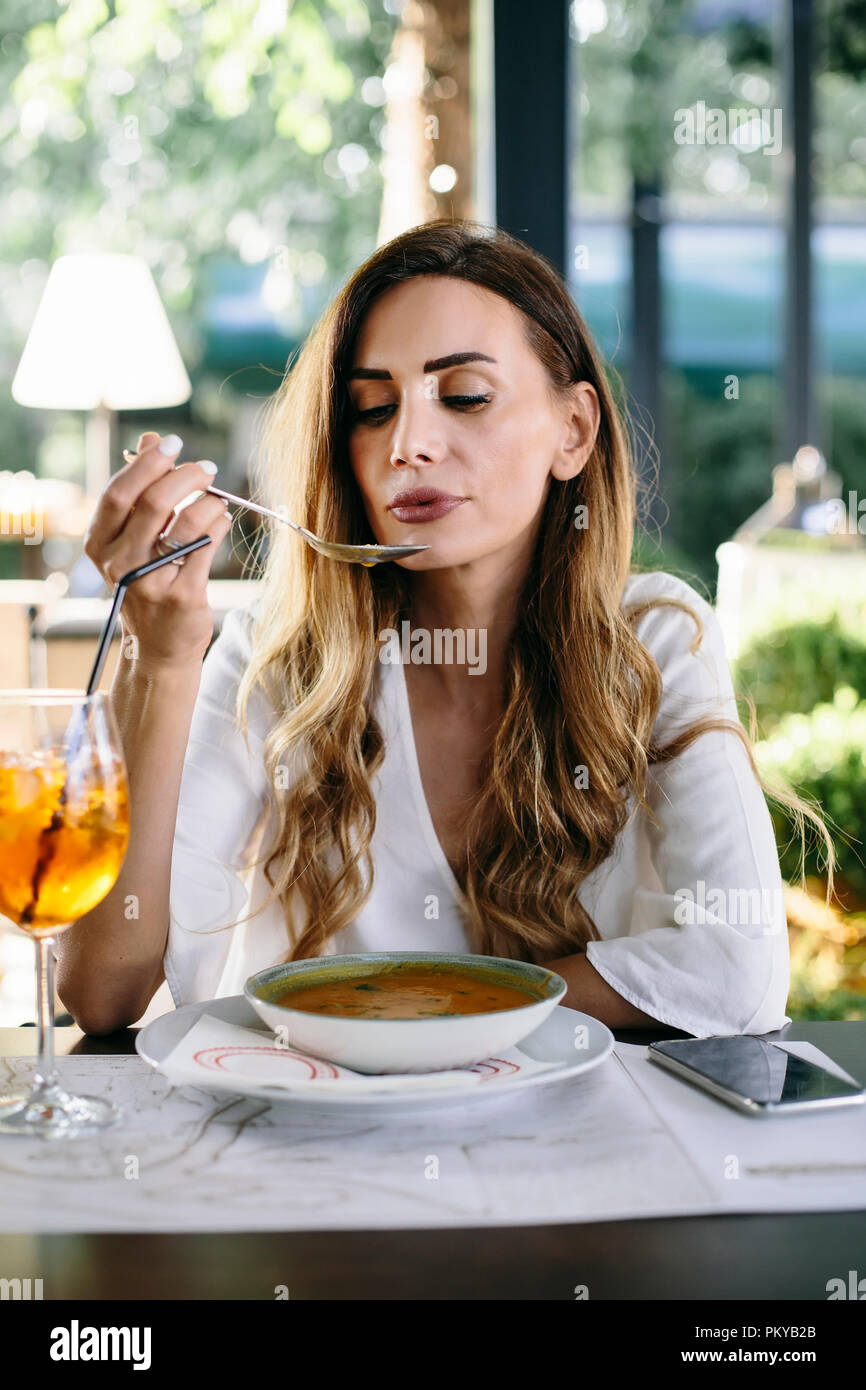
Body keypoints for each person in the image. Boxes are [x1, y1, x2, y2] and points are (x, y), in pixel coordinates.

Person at [56, 219, 833, 1038]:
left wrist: (409, 1009)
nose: (409, 444)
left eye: (464, 396)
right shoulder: (276, 658)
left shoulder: (657, 639)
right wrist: (166, 658)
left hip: (580, 1154)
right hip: (316, 1153)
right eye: (371, 408)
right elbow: (104, 991)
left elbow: (739, 974)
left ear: (573, 431)